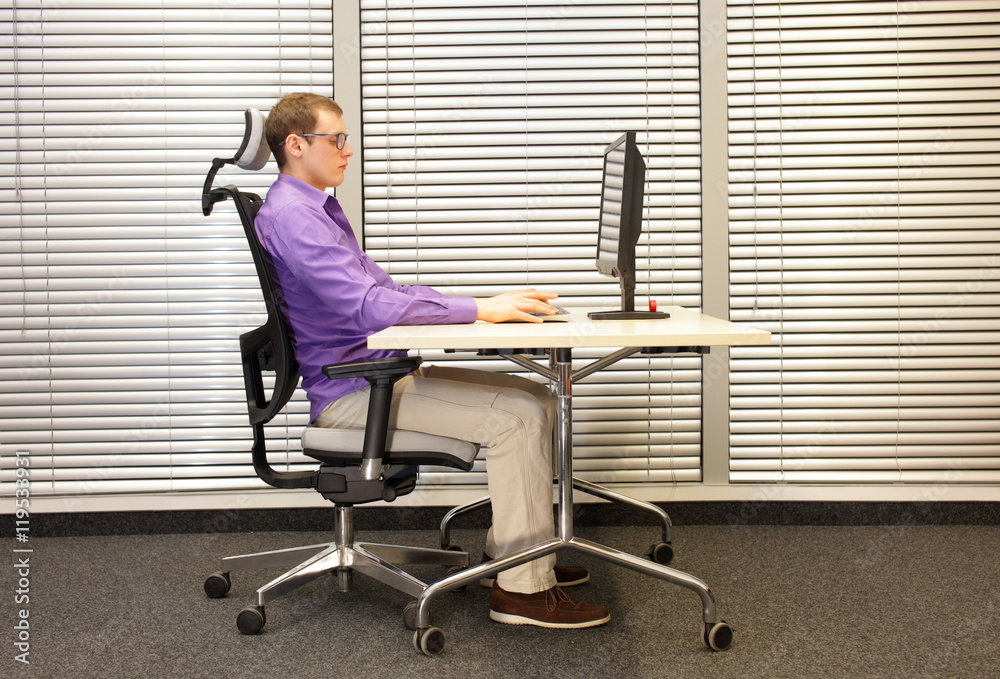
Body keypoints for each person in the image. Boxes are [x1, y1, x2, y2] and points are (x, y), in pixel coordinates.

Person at [254, 92, 610, 629]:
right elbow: (367, 306)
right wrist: (478, 310)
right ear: (297, 145)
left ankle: (513, 557)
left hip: (377, 378)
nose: (348, 150)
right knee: (519, 417)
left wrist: (475, 307)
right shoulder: (294, 216)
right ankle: (521, 593)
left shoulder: (315, 208)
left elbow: (382, 288)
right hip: (354, 393)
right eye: (338, 139)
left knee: (538, 395)